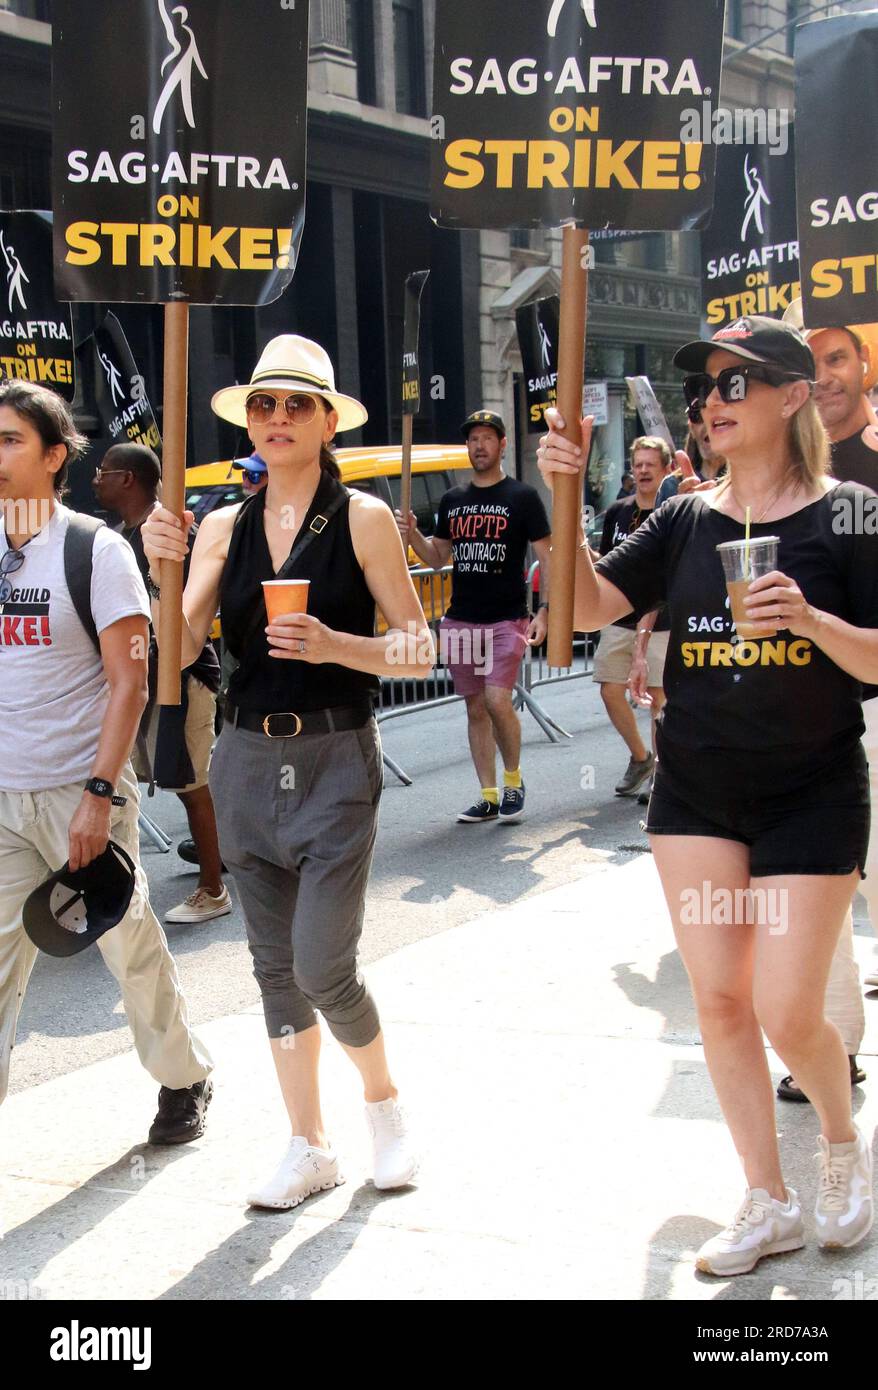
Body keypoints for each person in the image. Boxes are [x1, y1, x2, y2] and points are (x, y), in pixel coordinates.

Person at [538, 316, 876, 1274]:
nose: (713, 402)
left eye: (737, 383)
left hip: (811, 791)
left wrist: (810, 620)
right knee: (721, 1002)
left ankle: (843, 1149)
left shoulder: (849, 512)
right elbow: (589, 604)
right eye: (706, 388)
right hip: (696, 791)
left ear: (794, 395)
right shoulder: (686, 517)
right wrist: (567, 490)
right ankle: (765, 1199)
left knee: (786, 1007)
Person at [142, 335, 432, 1208]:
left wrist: (339, 644)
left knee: (322, 966)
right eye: (263, 405)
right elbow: (181, 650)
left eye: (296, 405)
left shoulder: (365, 519)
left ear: (329, 421)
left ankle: (384, 1108)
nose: (276, 418)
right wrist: (165, 565)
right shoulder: (223, 528)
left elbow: (419, 644)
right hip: (241, 756)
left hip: (337, 753)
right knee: (273, 968)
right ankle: (308, 1144)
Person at [0, 380, 213, 1141]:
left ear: (55, 455)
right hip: (3, 795)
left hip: (79, 790)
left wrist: (99, 793)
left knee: (126, 944)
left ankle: (183, 1076)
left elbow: (133, 679)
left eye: (11, 441)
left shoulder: (96, 551)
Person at [93, 442, 230, 924]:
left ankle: (213, 887)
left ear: (128, 479)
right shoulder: (119, 535)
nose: (95, 479)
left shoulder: (168, 532)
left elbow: (187, 616)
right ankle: (115, 891)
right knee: (120, 782)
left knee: (192, 782)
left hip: (181, 676)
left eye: (103, 471)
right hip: (134, 681)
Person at [395, 410, 551, 824]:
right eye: (472, 439)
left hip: (507, 619)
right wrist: (412, 534)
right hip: (461, 619)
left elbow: (546, 556)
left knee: (498, 700)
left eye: (486, 438)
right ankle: (488, 795)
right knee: (475, 708)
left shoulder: (522, 497)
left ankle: (514, 780)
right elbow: (436, 559)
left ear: (502, 445)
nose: (478, 445)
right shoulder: (453, 500)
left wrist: (546, 610)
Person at [592, 436, 671, 798]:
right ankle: (640, 757)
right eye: (637, 464)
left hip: (661, 619)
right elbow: (608, 566)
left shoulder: (673, 511)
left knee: (658, 698)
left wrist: (643, 641)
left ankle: (661, 772)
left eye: (649, 465)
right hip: (621, 618)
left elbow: (662, 578)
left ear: (665, 470)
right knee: (610, 689)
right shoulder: (618, 512)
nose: (641, 471)